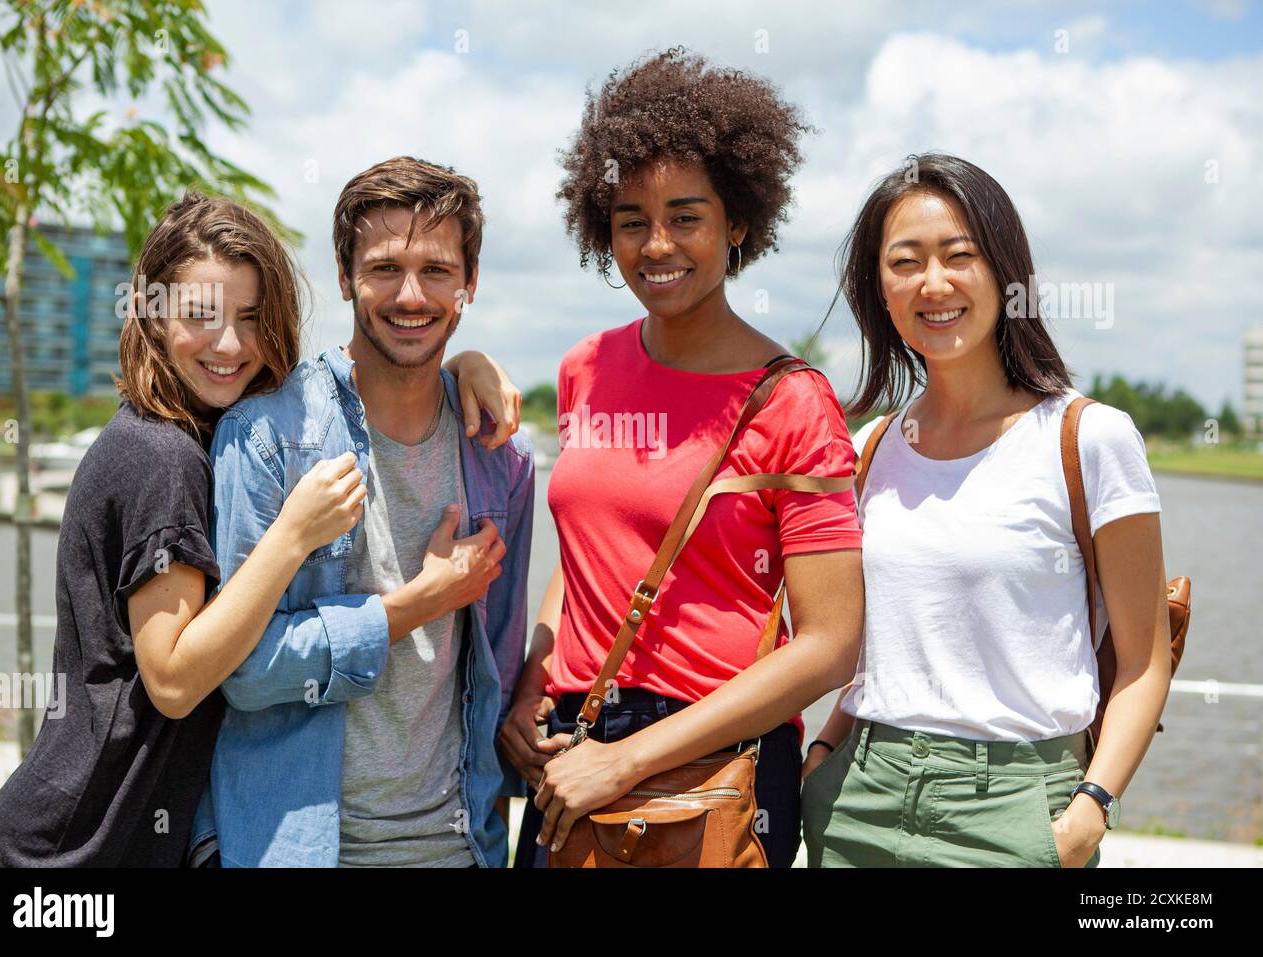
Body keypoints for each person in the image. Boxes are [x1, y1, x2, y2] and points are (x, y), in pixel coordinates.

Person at [0, 193, 513, 866]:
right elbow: (172, 678)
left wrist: (457, 367)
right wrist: (294, 536)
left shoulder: (196, 436)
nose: (229, 344)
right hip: (71, 853)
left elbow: (365, 371)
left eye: (251, 318)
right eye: (200, 316)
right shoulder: (161, 457)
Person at [499, 49, 865, 868]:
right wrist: (532, 687)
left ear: (738, 223)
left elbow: (833, 643)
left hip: (715, 756)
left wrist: (629, 759)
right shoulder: (583, 368)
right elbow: (588, 555)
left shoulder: (793, 402)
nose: (657, 244)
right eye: (632, 220)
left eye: (686, 216)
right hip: (575, 743)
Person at [800, 153, 1172, 868]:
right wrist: (823, 754)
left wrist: (1089, 810)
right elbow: (873, 645)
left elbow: (1144, 662)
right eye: (905, 262)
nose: (933, 284)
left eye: (959, 256)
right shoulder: (869, 447)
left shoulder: (1089, 438)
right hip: (860, 797)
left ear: (1005, 272)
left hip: (1016, 808)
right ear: (879, 288)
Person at [187, 157, 534, 868]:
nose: (411, 295)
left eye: (438, 271)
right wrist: (413, 604)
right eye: (383, 268)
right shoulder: (266, 435)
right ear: (344, 278)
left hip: (457, 846)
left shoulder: (500, 455)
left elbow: (493, 671)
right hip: (292, 846)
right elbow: (241, 671)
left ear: (470, 285)